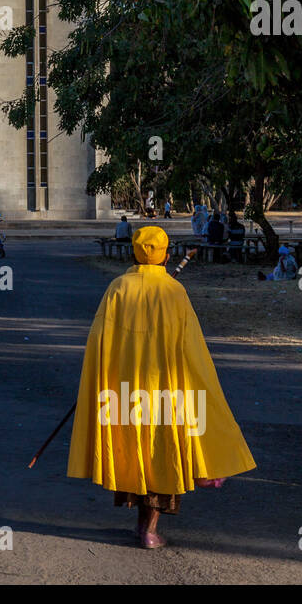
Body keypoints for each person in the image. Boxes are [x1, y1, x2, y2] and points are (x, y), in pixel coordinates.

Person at [67, 226, 256, 549]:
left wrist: (99, 379)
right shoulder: (173, 291)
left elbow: (100, 342)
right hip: (168, 391)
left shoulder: (118, 288)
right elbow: (191, 348)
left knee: (133, 452)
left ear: (133, 253)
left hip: (125, 393)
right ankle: (149, 529)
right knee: (163, 454)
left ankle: (142, 526)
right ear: (167, 256)